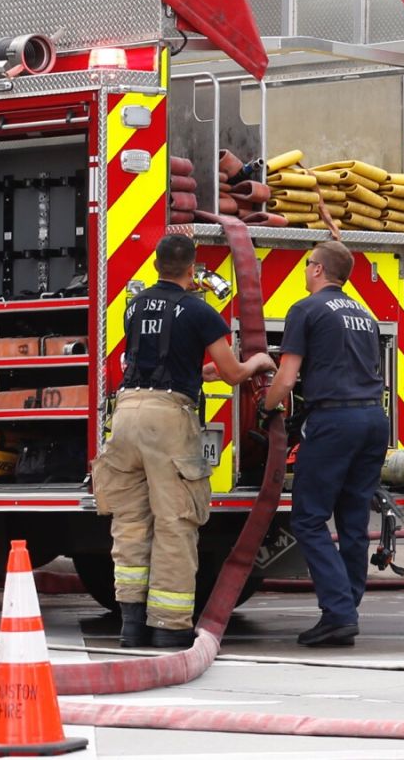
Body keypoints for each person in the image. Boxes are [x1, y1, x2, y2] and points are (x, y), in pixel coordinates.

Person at [95, 234, 273, 648]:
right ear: (192, 268)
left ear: (156, 265)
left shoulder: (136, 305)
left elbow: (169, 358)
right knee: (175, 523)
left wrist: (201, 371)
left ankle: (132, 624)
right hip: (167, 422)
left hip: (126, 416)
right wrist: (258, 363)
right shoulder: (199, 310)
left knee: (131, 524)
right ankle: (169, 627)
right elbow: (232, 373)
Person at [257, 240, 388, 646]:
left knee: (309, 519)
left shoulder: (306, 309)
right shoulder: (363, 314)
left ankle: (338, 611)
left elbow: (288, 375)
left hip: (334, 420)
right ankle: (346, 607)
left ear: (317, 270)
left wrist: (266, 408)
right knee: (352, 520)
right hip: (373, 420)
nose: (305, 269)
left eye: (307, 262)